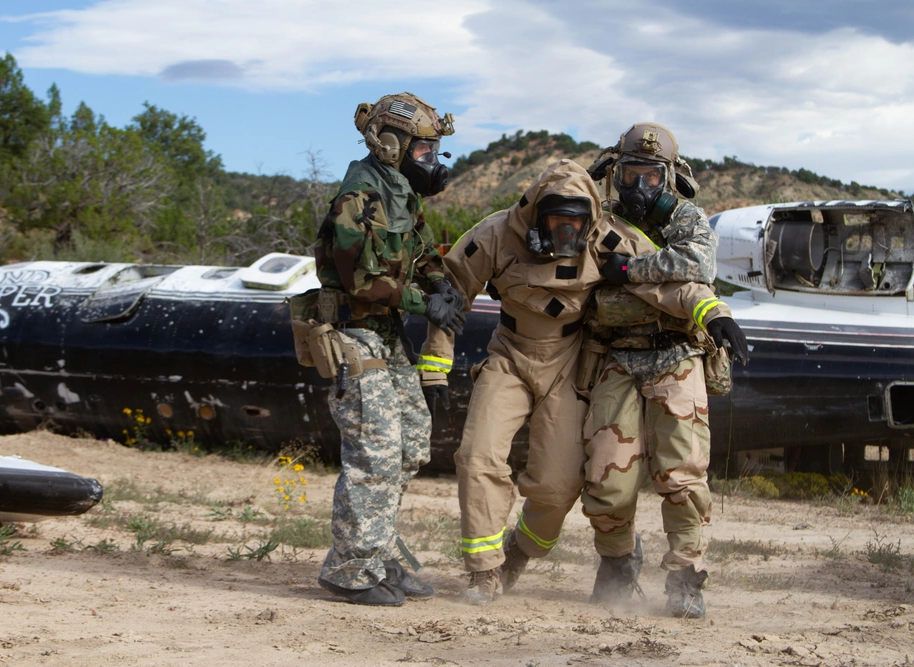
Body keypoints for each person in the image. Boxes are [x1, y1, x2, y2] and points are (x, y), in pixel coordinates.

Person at [418, 158, 728, 605]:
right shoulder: (496, 234)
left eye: (575, 224)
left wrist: (714, 313)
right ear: (535, 212)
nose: (566, 234)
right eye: (556, 222)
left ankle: (519, 551)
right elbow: (450, 293)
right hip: (509, 353)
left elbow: (667, 282)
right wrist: (435, 368)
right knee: (477, 456)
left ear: (590, 219)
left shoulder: (608, 236)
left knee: (559, 485)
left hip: (570, 362)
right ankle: (484, 573)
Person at [580, 122, 749, 619]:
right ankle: (616, 564)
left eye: (651, 178)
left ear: (669, 178)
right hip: (617, 357)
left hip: (676, 357)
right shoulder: (602, 218)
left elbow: (697, 264)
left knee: (682, 477)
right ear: (615, 173)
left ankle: (685, 578)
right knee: (606, 480)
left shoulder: (687, 217)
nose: (639, 187)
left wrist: (630, 271)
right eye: (630, 174)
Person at [307, 92, 466, 607]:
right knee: (373, 452)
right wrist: (425, 302)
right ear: (393, 144)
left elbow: (420, 252)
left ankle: (376, 552)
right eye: (425, 151)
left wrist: (441, 284)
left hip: (387, 332)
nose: (432, 162)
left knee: (410, 443)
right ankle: (351, 570)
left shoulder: (401, 193)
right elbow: (360, 281)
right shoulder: (358, 196)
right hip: (355, 331)